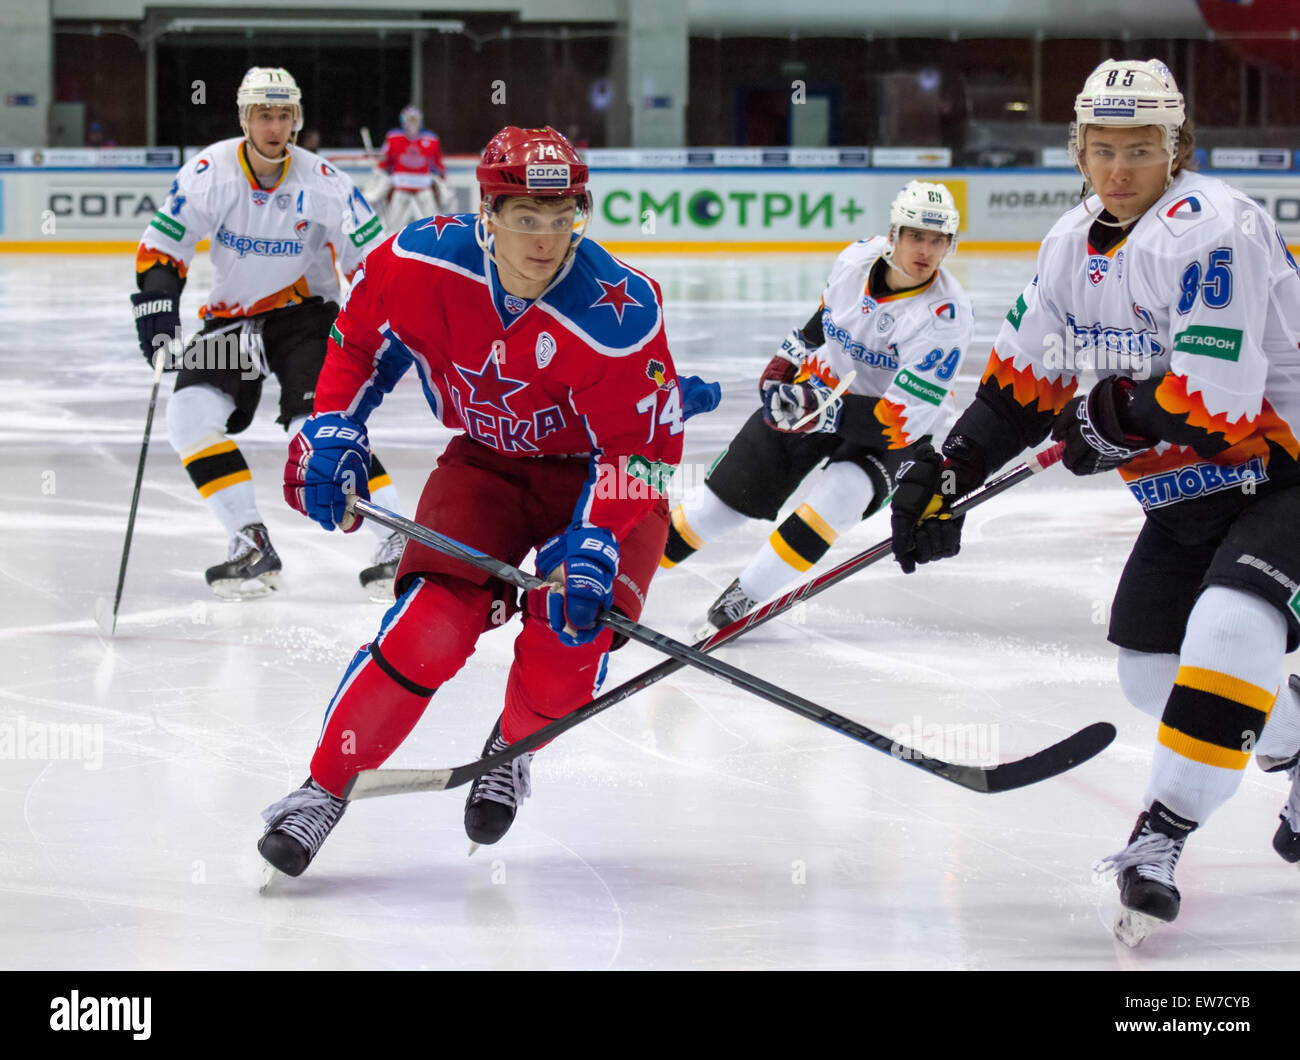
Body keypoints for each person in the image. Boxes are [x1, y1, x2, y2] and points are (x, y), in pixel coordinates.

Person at [888, 59, 1300, 946]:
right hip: (1185, 496)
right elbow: (1016, 390)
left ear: (1176, 149)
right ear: (1078, 149)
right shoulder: (1070, 245)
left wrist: (1108, 415)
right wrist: (948, 473)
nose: (1120, 171)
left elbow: (1211, 396)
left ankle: (1160, 836)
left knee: (1232, 625)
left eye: (1141, 150)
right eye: (1103, 150)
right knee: (1153, 672)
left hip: (1285, 477)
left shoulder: (1211, 225)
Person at [257, 125, 720, 877]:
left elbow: (641, 455)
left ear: (581, 212)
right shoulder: (416, 263)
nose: (545, 239)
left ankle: (512, 744)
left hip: (599, 483)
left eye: (562, 217)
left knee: (569, 641)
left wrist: (598, 543)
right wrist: (332, 429)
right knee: (428, 628)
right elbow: (356, 343)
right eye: (525, 219)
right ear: (489, 212)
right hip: (488, 466)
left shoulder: (622, 308)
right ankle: (324, 787)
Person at [131, 66, 406, 601]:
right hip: (232, 321)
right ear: (245, 118)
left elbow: (375, 263)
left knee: (314, 428)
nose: (275, 126)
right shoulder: (211, 171)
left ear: (296, 119)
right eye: (264, 115)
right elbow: (165, 246)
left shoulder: (325, 184)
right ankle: (249, 540)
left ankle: (396, 538)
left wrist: (392, 323)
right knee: (189, 420)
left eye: (284, 115)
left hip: (306, 319)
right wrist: (159, 312)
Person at [661, 181, 973, 637]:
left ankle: (746, 594)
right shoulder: (854, 260)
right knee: (721, 504)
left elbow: (897, 420)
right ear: (893, 235)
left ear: (949, 244)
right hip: (822, 387)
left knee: (841, 495)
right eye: (914, 235)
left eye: (936, 239)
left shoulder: (945, 318)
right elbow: (828, 312)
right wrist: (790, 355)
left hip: (894, 425)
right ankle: (630, 572)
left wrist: (822, 413)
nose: (925, 249)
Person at [364, 104, 449, 230]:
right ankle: (390, 244)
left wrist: (443, 182)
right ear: (403, 121)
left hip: (423, 188)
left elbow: (438, 165)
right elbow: (385, 163)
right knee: (392, 225)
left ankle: (433, 245)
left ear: (420, 121)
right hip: (401, 187)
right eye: (410, 120)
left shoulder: (431, 140)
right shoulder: (393, 138)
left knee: (433, 223)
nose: (412, 124)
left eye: (415, 120)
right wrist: (379, 171)